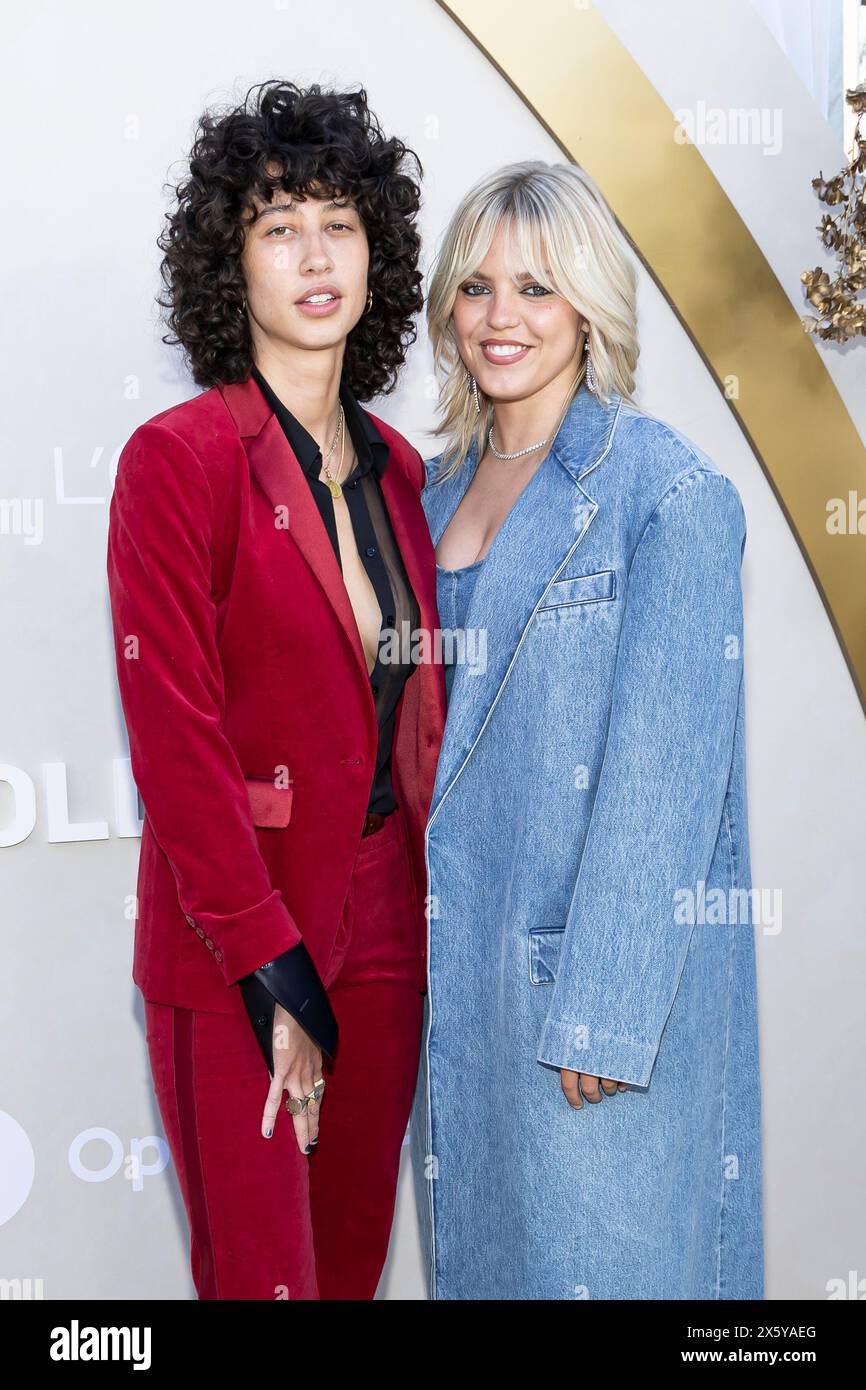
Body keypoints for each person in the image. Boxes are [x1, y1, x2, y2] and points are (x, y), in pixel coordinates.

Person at [106, 79, 445, 1300]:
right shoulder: (180, 462)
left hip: (387, 930)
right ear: (230, 265)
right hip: (235, 939)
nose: (315, 255)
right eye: (277, 224)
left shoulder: (404, 472)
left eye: (340, 222)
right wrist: (271, 967)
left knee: (347, 1275)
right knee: (266, 1288)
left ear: (377, 254)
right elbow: (177, 743)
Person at [409, 160, 764, 1299]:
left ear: (589, 307)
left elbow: (666, 777)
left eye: (535, 288)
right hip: (454, 992)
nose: (499, 318)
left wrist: (604, 1009)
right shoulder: (422, 495)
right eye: (474, 288)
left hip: (588, 1013)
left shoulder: (665, 493)